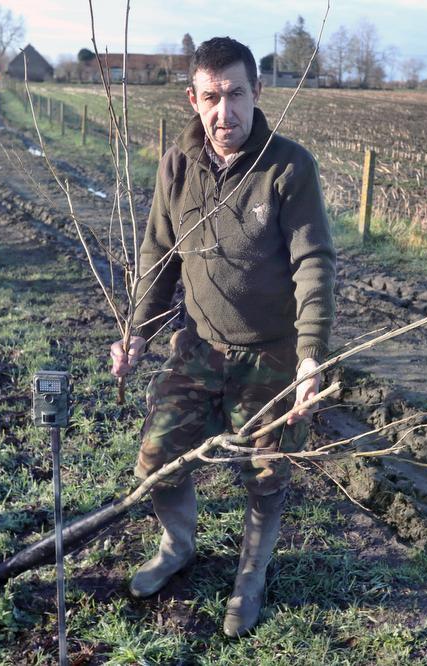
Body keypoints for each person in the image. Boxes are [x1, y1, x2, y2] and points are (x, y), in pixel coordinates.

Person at [110, 36, 335, 637]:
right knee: (157, 460)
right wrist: (137, 336)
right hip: (199, 344)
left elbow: (314, 263)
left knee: (266, 474)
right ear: (193, 99)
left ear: (257, 93)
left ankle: (251, 575)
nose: (224, 111)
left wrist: (310, 357)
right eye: (211, 97)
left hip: (273, 353)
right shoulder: (177, 166)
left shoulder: (288, 168)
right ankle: (177, 546)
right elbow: (159, 258)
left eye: (236, 94)